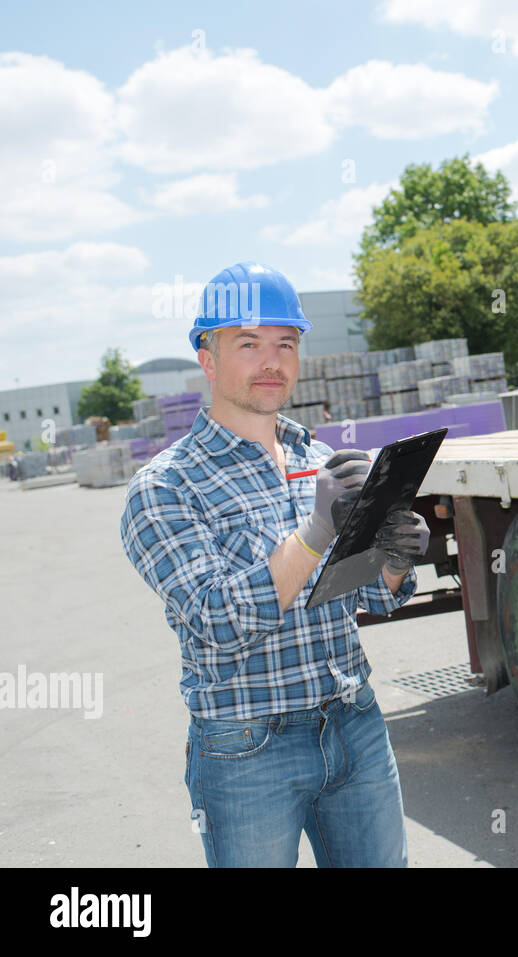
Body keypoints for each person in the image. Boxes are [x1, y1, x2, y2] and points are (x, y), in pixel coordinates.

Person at [120, 261, 430, 867]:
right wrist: (315, 533)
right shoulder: (164, 488)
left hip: (354, 724)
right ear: (207, 360)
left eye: (285, 343)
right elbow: (218, 620)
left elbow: (371, 598)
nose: (272, 361)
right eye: (248, 343)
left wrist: (393, 557)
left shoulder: (319, 459)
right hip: (247, 750)